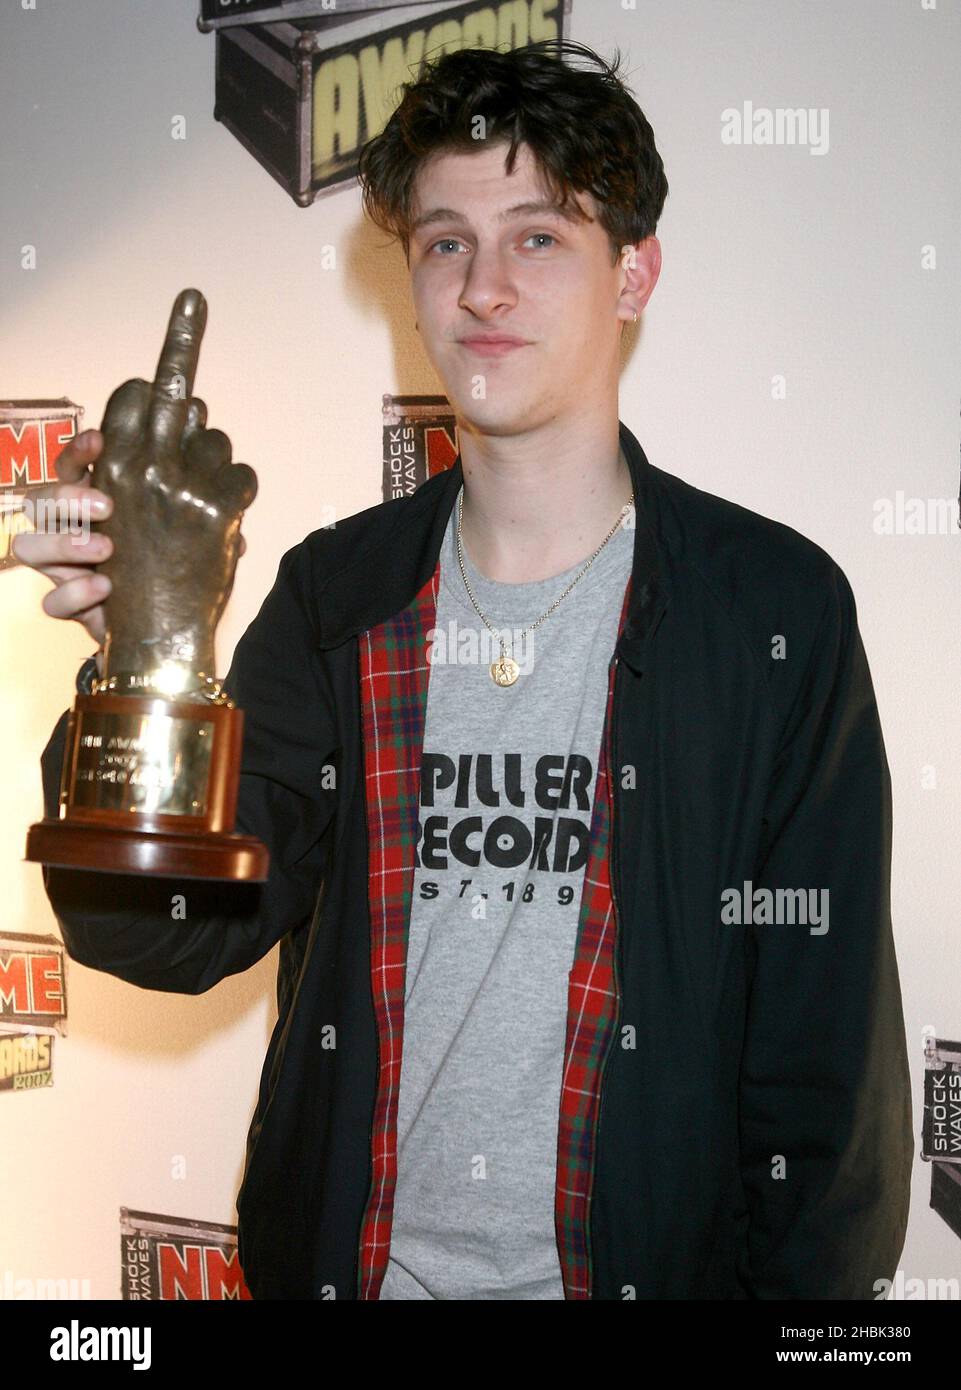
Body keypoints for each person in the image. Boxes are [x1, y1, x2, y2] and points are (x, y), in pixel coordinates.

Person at [17, 40, 912, 1300]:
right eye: (445, 242)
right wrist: (155, 657)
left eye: (537, 237)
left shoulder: (770, 609)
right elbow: (159, 938)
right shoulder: (339, 596)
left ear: (634, 271)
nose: (484, 286)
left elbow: (826, 1069)